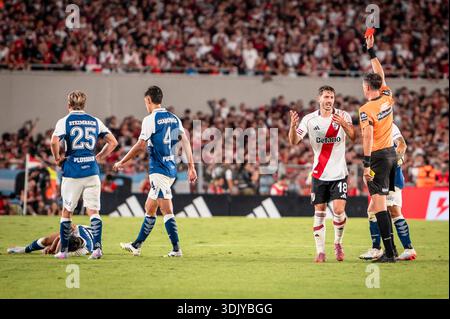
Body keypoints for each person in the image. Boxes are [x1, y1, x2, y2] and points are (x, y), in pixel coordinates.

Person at [114, 86, 197, 257]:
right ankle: (136, 245)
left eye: (145, 102)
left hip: (159, 170)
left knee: (166, 210)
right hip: (171, 168)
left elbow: (141, 145)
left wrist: (122, 161)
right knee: (149, 208)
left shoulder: (150, 119)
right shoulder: (174, 118)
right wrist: (191, 166)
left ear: (149, 101)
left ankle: (176, 249)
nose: (145, 105)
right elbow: (186, 141)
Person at [289, 85, 356, 263]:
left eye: (332, 97)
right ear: (319, 99)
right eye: (326, 97)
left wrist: (343, 125)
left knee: (339, 210)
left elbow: (353, 136)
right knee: (319, 212)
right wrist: (293, 126)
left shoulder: (343, 116)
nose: (329, 100)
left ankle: (338, 243)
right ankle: (320, 252)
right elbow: (294, 141)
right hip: (319, 174)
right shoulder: (309, 120)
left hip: (339, 173)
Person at [50, 90, 118, 259]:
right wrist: (100, 156)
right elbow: (113, 142)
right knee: (93, 211)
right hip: (92, 171)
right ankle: (97, 249)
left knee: (67, 211)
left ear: (69, 105)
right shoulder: (95, 121)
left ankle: (64, 251)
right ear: (84, 105)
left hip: (72, 172)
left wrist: (57, 159)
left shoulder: (64, 121)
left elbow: (53, 141)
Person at [358, 35, 397, 263]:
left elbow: (367, 135)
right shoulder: (386, 97)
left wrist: (365, 164)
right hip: (391, 154)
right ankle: (388, 249)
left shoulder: (366, 109)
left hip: (378, 158)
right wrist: (371, 52)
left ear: (366, 87)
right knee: (380, 204)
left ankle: (389, 253)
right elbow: (381, 75)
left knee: (379, 206)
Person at [360, 123, 417, 261]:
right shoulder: (370, 128)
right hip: (381, 176)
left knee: (388, 211)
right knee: (382, 211)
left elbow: (402, 145)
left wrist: (395, 159)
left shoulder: (390, 126)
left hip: (391, 176)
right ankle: (404, 248)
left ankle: (379, 249)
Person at [7, 223, 94, 257]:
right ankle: (24, 249)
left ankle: (22, 249)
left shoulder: (85, 250)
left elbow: (58, 253)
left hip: (89, 236)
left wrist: (53, 251)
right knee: (46, 240)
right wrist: (51, 248)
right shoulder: (75, 230)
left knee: (50, 250)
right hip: (82, 228)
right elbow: (60, 237)